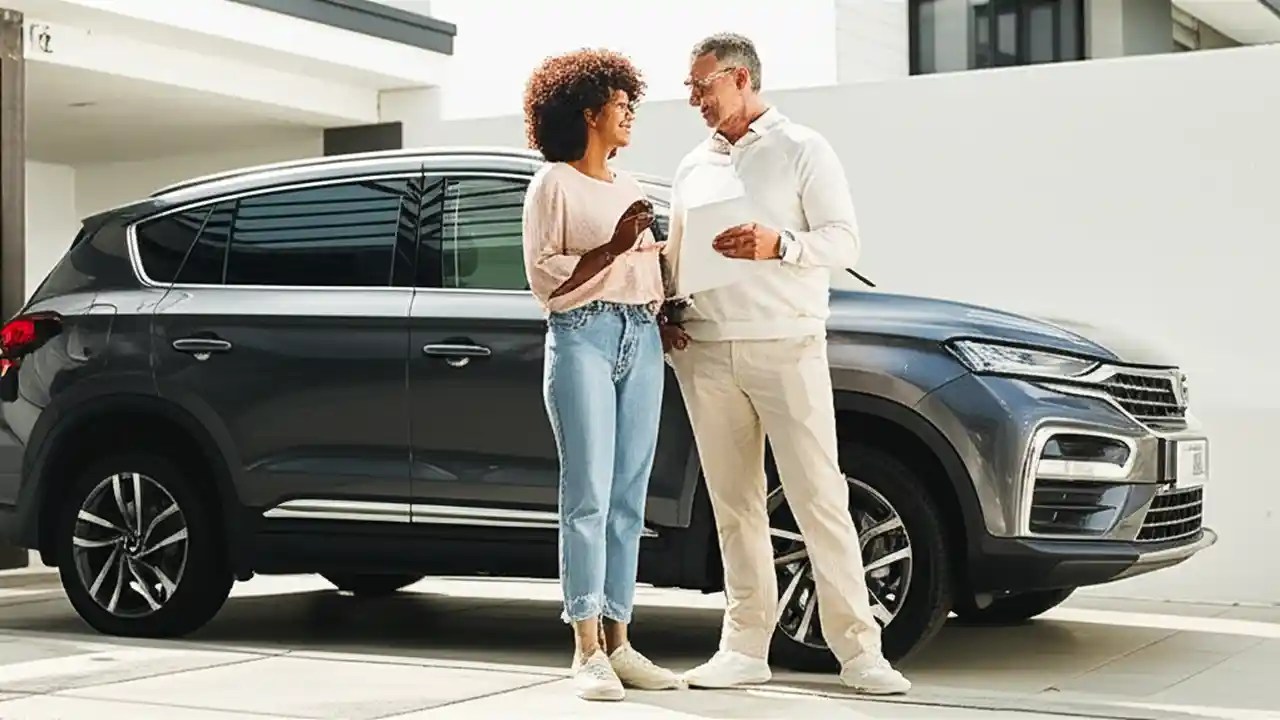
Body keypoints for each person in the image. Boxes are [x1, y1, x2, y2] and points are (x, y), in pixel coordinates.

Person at [659, 33, 912, 695]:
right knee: (733, 507)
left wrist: (781, 244)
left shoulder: (804, 148)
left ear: (740, 79)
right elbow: (680, 254)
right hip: (707, 352)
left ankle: (862, 656)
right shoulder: (693, 165)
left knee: (818, 499)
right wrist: (668, 307)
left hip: (786, 344)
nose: (693, 99)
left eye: (701, 86)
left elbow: (844, 239)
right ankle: (743, 648)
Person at [520, 48, 685, 702]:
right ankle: (585, 649)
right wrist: (615, 246)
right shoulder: (552, 185)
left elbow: (642, 266)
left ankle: (620, 641)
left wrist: (665, 301)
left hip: (640, 338)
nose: (629, 115)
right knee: (586, 493)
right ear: (589, 112)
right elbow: (546, 283)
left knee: (628, 498)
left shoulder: (631, 185)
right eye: (621, 105)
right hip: (581, 336)